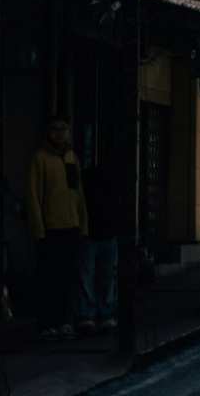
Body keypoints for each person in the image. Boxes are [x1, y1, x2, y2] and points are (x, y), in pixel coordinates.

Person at [26, 118, 88, 341]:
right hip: (51, 228)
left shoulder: (71, 158)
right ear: (48, 133)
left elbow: (78, 193)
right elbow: (33, 195)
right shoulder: (40, 159)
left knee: (68, 278)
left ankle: (64, 321)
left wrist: (83, 224)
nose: (60, 134)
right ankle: (48, 323)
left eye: (64, 129)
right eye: (56, 129)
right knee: (49, 278)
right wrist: (39, 228)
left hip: (71, 226)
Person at [76, 143, 124, 335]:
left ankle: (89, 314)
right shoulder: (114, 181)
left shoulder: (87, 179)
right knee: (104, 277)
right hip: (102, 232)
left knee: (89, 276)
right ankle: (104, 313)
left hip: (94, 232)